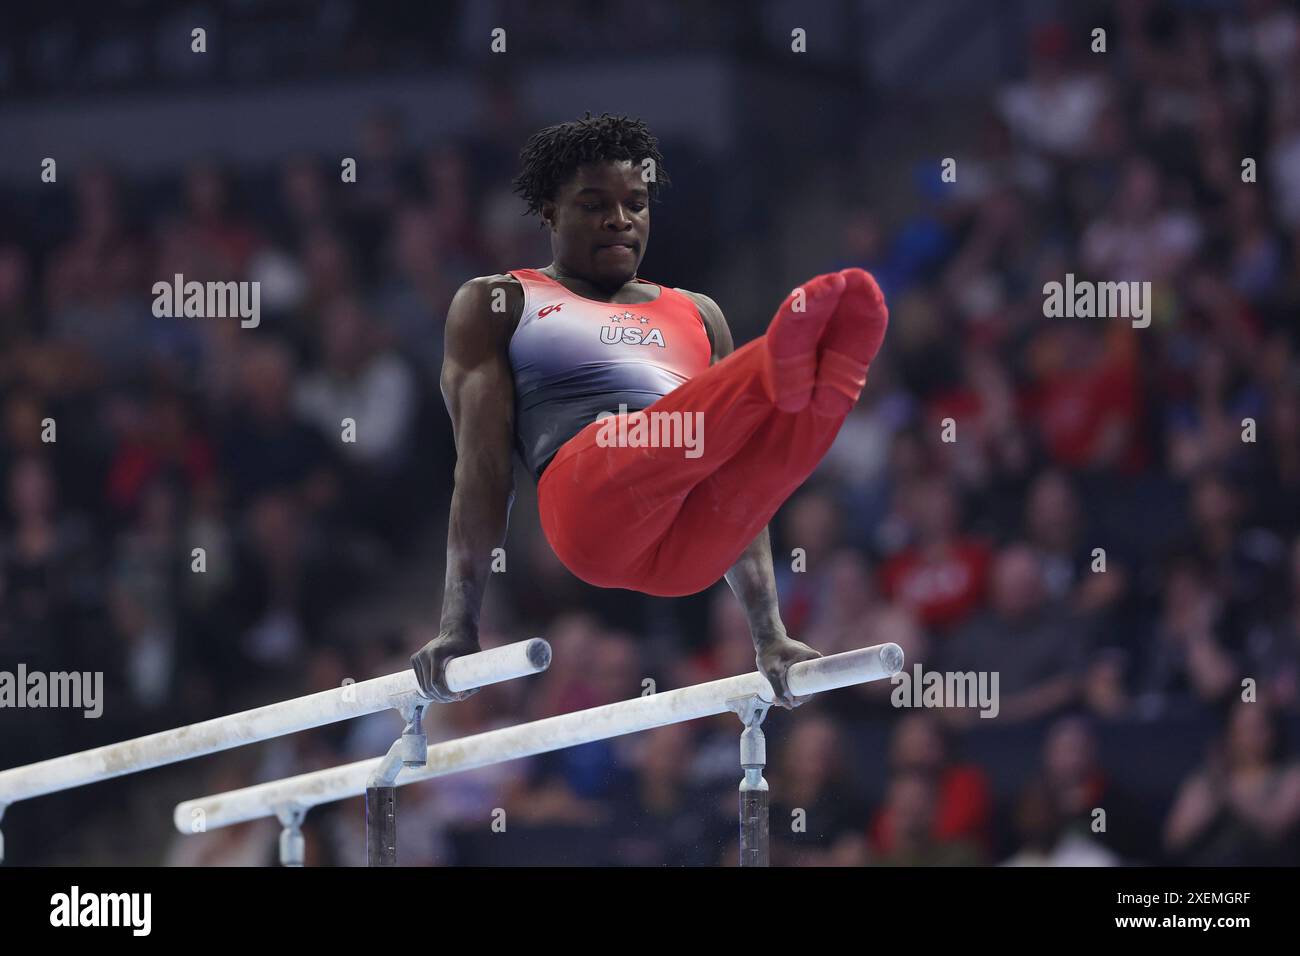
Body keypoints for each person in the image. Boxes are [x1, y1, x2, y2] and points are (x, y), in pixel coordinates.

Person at [410, 113, 888, 707]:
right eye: (593, 204)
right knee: (678, 429)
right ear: (548, 212)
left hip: (688, 552)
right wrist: (459, 624)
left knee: (760, 464)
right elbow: (481, 468)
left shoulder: (697, 311)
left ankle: (823, 383)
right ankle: (779, 369)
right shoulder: (500, 300)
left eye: (635, 203)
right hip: (588, 506)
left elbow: (744, 489)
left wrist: (770, 637)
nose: (619, 219)